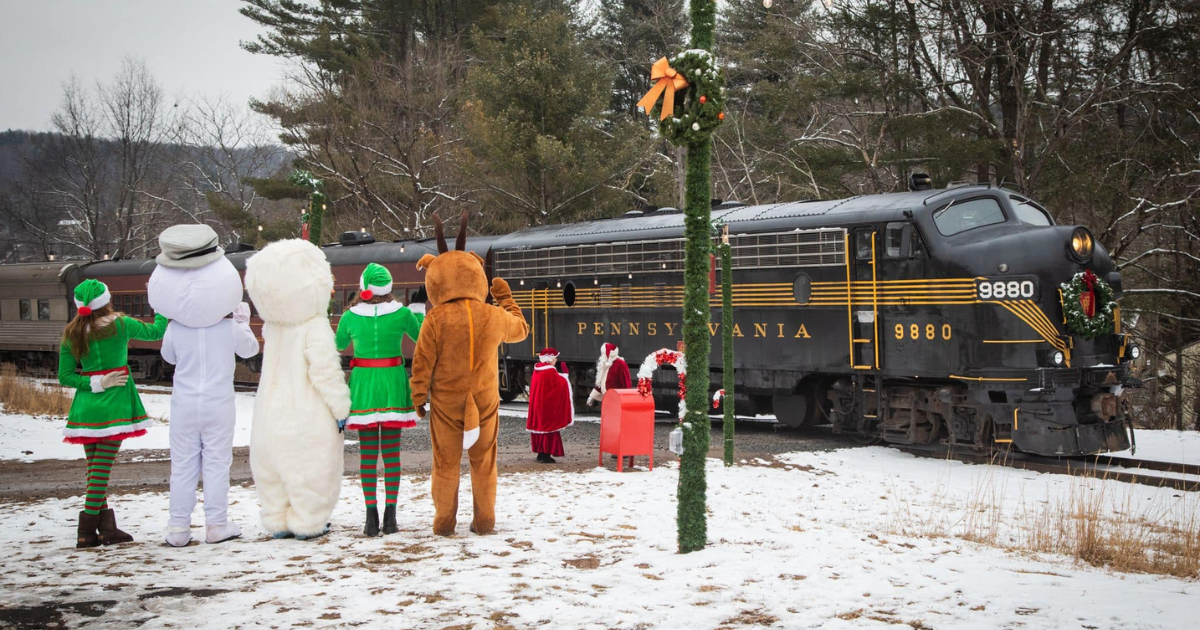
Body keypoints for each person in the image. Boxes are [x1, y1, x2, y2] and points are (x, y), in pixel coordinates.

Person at [410, 212, 529, 536]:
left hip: (447, 406)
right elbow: (521, 329)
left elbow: (422, 363)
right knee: (484, 463)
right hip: (486, 401)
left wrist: (419, 396)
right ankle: (484, 521)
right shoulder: (492, 315)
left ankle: (445, 522)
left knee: (445, 465)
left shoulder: (436, 319)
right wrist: (505, 298)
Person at [148, 224, 260, 547]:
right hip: (218, 403)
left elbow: (168, 357)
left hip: (183, 404)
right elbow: (251, 349)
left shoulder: (175, 329)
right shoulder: (228, 328)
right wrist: (241, 321)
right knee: (216, 464)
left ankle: (178, 529)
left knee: (181, 466)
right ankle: (216, 524)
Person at [244, 239, 351, 541]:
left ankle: (277, 520)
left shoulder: (272, 327)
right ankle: (308, 521)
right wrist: (341, 409)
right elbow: (325, 372)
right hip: (307, 414)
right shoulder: (314, 326)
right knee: (311, 468)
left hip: (268, 414)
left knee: (273, 470)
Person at [58, 279, 168, 548]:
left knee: (95, 469)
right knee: (100, 472)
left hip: (85, 409)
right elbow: (156, 332)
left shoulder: (72, 332)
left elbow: (65, 376)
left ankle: (107, 529)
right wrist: (161, 304)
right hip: (114, 406)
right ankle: (85, 531)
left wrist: (92, 382)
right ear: (106, 301)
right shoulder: (121, 324)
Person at [335, 263, 423, 537]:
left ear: (364, 288)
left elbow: (338, 345)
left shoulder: (350, 316)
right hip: (392, 382)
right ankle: (391, 518)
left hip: (363, 384)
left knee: (368, 455)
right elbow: (421, 336)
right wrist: (419, 310)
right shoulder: (402, 313)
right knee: (392, 454)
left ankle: (370, 519)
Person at [526, 348, 574, 463]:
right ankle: (545, 454)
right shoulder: (549, 371)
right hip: (546, 407)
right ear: (550, 358)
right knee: (548, 428)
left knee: (540, 428)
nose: (556, 359)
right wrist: (566, 376)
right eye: (555, 357)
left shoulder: (537, 369)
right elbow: (560, 385)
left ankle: (540, 453)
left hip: (538, 405)